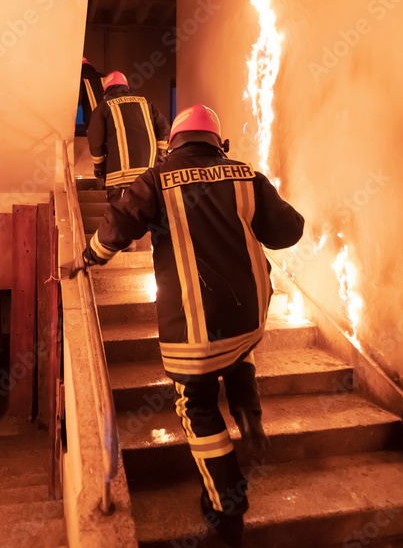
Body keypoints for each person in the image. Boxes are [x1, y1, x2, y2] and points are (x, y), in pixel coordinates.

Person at [81, 105, 304, 546]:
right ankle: (248, 412)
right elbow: (289, 231)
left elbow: (119, 225)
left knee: (197, 408)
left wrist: (87, 257)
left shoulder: (157, 179)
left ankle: (228, 506)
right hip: (250, 317)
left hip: (194, 328)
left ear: (174, 143)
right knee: (240, 354)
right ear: (218, 143)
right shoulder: (246, 175)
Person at [86, 71, 170, 204]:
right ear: (126, 86)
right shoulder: (145, 103)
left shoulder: (103, 107)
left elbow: (95, 141)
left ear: (106, 89)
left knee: (121, 217)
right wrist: (160, 156)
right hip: (149, 175)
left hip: (119, 178)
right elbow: (164, 129)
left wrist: (99, 168)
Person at [76, 57, 105, 137]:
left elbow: (76, 102)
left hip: (92, 122)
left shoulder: (80, 79)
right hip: (109, 121)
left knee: (96, 147)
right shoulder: (104, 77)